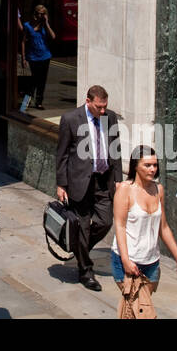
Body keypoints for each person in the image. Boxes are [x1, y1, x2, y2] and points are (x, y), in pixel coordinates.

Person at [55, 85, 123, 291]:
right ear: (88, 101)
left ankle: (79, 247)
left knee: (105, 221)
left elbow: (115, 148)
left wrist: (118, 179)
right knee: (82, 225)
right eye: (98, 107)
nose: (102, 111)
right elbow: (62, 154)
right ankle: (86, 271)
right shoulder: (70, 119)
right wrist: (61, 184)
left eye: (105, 107)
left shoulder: (109, 118)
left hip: (103, 180)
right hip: (79, 181)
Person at [112, 145, 177, 316]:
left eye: (155, 165)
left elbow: (164, 227)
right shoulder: (125, 189)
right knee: (141, 310)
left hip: (151, 262)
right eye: (147, 165)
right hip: (128, 261)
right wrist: (126, 260)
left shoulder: (158, 189)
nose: (152, 169)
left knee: (136, 311)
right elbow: (120, 226)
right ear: (135, 166)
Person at [20, 5, 57, 109]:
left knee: (42, 81)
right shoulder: (27, 25)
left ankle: (39, 102)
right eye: (38, 13)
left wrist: (46, 23)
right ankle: (25, 103)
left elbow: (53, 36)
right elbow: (23, 42)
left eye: (42, 14)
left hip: (45, 56)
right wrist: (23, 58)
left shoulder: (44, 26)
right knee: (33, 81)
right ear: (34, 13)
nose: (39, 16)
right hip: (32, 57)